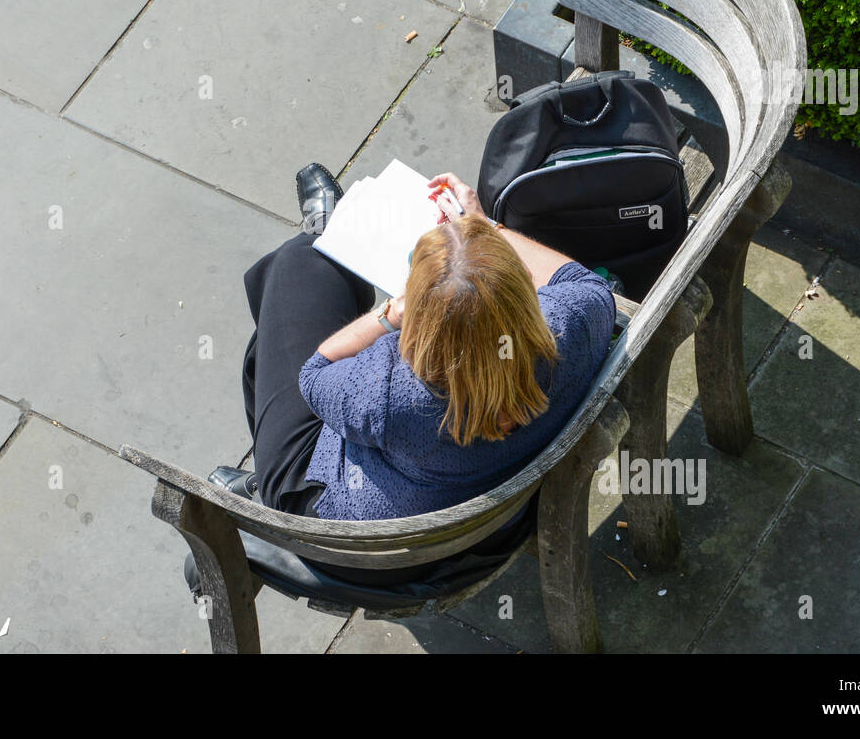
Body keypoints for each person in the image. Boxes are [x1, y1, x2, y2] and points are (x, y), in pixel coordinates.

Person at [227, 163, 617, 532]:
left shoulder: (388, 397)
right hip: (486, 510)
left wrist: (391, 313)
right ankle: (328, 236)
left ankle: (327, 237)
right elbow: (583, 281)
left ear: (419, 333)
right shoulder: (575, 321)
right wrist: (481, 228)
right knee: (277, 330)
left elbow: (315, 373)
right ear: (525, 286)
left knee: (295, 268)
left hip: (341, 525)